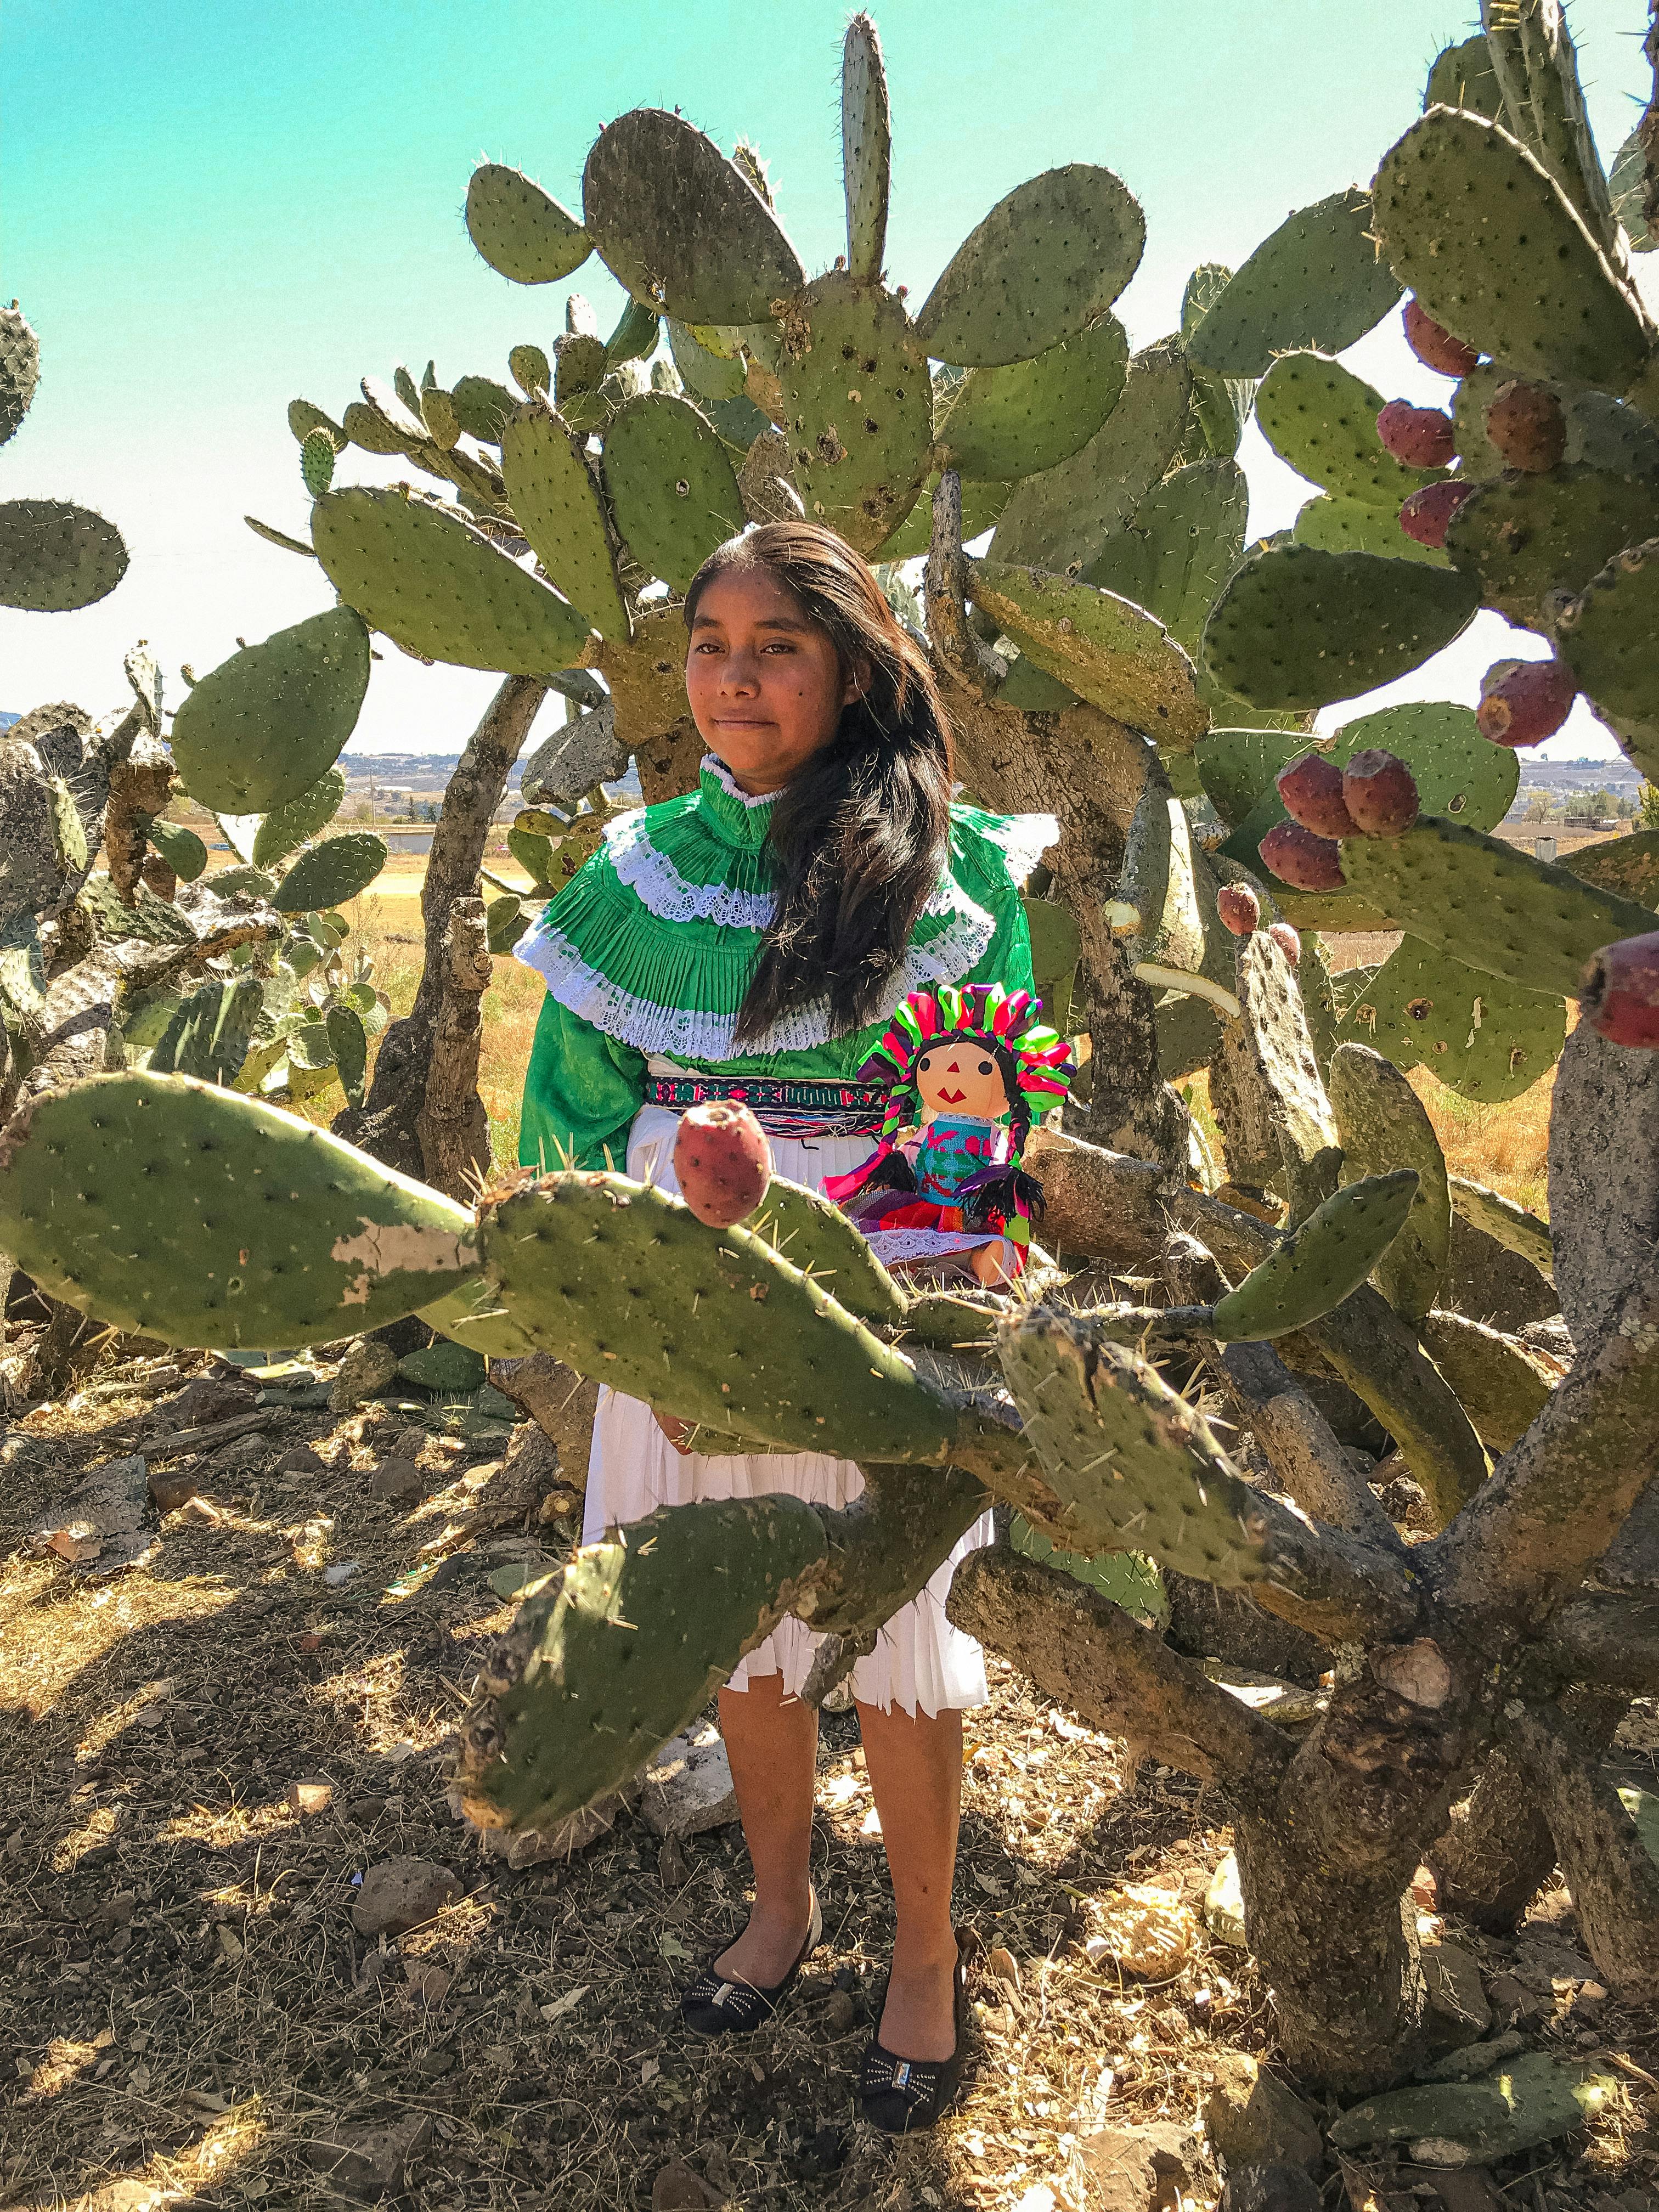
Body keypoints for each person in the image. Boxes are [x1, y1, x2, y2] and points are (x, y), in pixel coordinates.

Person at [515, 521, 1056, 2134]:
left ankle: (924, 1954)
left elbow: (999, 1103)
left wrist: (966, 1281)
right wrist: (596, 1274)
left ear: (854, 673)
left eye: (779, 647)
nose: (733, 678)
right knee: (733, 1614)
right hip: (681, 1276)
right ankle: (781, 1905)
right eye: (711, 643)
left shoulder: (958, 880)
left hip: (872, 1278)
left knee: (896, 1635)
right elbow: (569, 1100)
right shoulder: (636, 873)